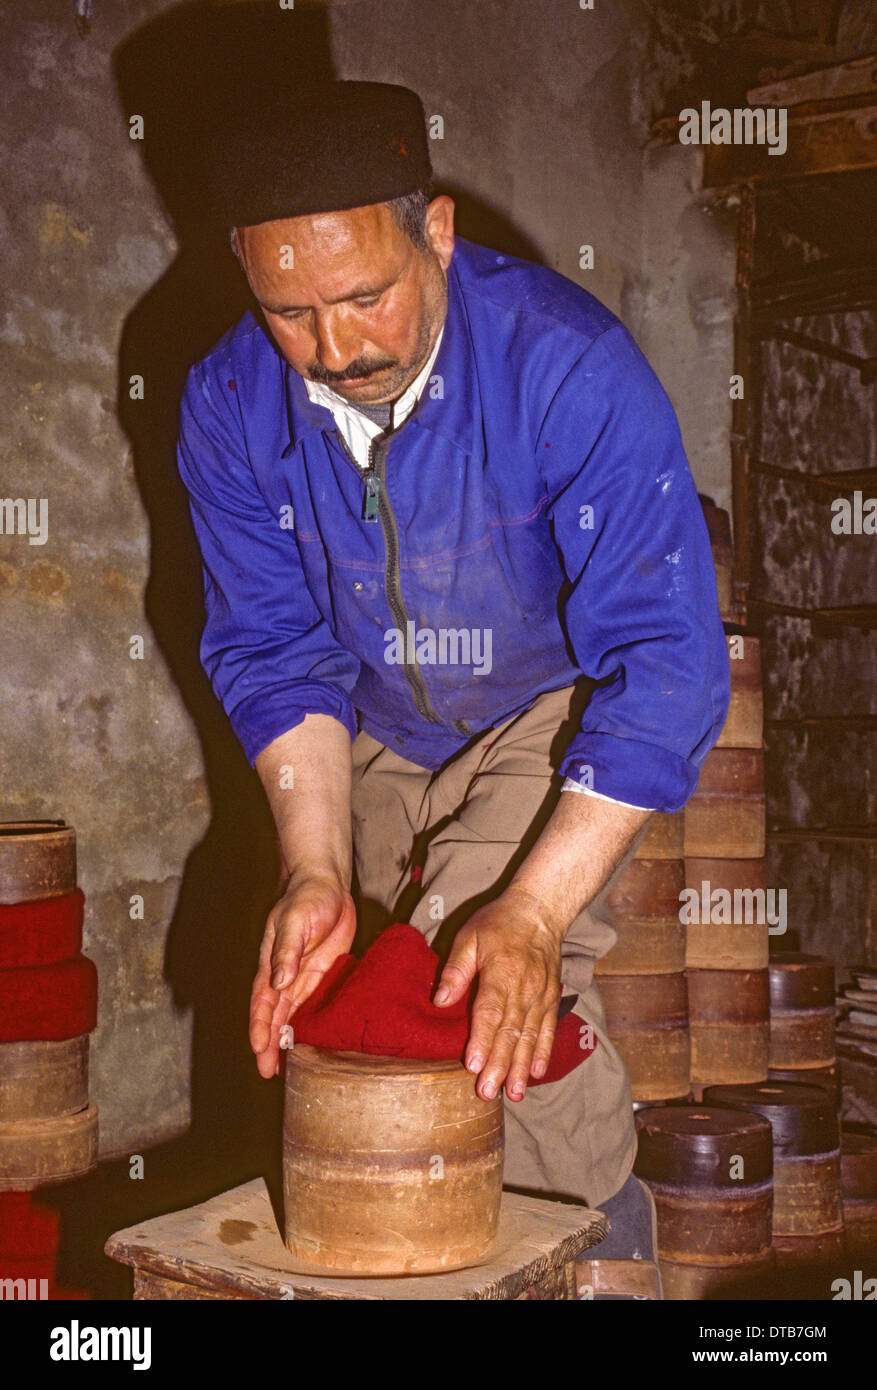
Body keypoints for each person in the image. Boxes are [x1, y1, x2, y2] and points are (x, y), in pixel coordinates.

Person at [176, 80, 729, 1279]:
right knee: (345, 1001)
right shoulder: (227, 402)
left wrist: (533, 912)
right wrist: (314, 867)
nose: (337, 351)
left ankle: (600, 1237)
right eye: (289, 312)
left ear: (433, 232)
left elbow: (671, 658)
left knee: (461, 988)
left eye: (366, 296)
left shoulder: (568, 366)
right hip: (369, 723)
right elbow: (275, 653)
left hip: (544, 708)